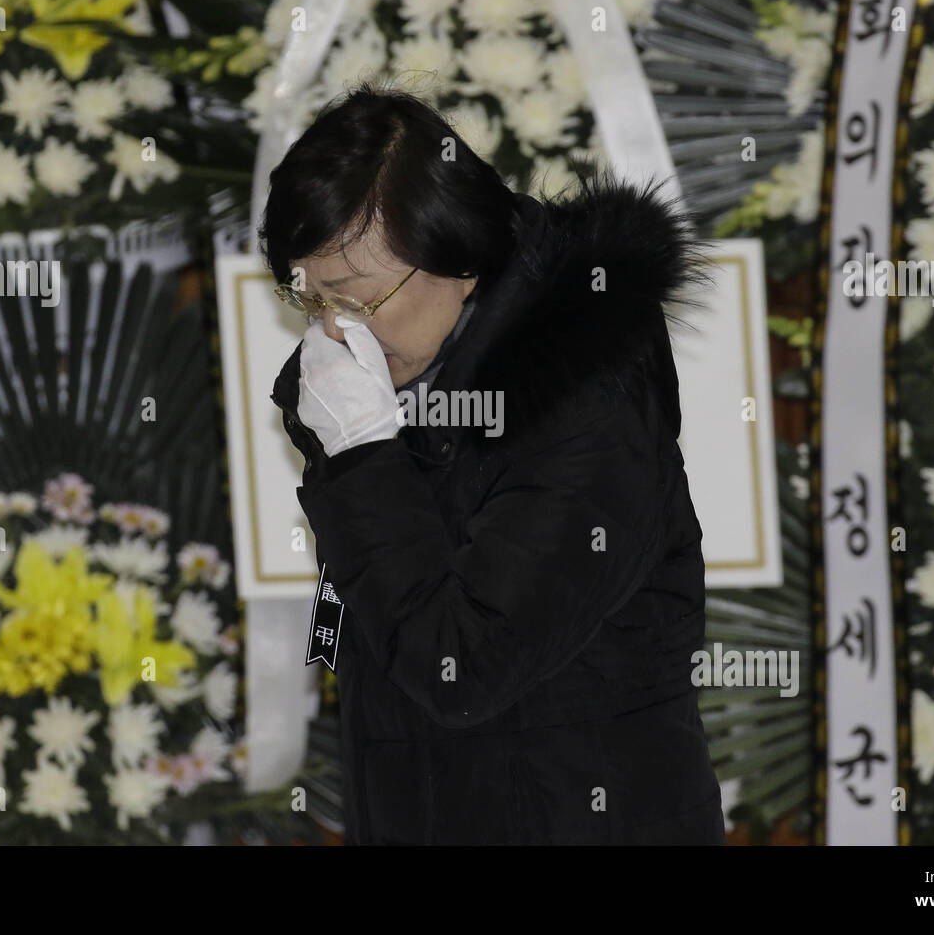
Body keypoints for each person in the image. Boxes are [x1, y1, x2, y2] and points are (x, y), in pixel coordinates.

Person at [263, 83, 723, 845]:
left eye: (355, 300)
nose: (334, 333)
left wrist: (363, 463)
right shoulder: (404, 374)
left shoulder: (585, 405)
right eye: (308, 301)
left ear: (462, 260)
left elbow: (461, 668)